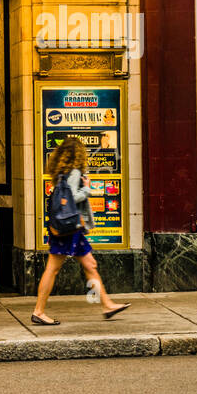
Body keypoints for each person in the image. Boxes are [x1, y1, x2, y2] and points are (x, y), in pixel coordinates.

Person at [32, 135, 130, 325]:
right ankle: (38, 311)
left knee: (90, 265)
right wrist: (87, 189)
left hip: (71, 228)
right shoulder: (75, 172)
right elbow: (73, 198)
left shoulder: (62, 172)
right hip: (70, 228)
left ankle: (107, 305)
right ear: (78, 154)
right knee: (53, 268)